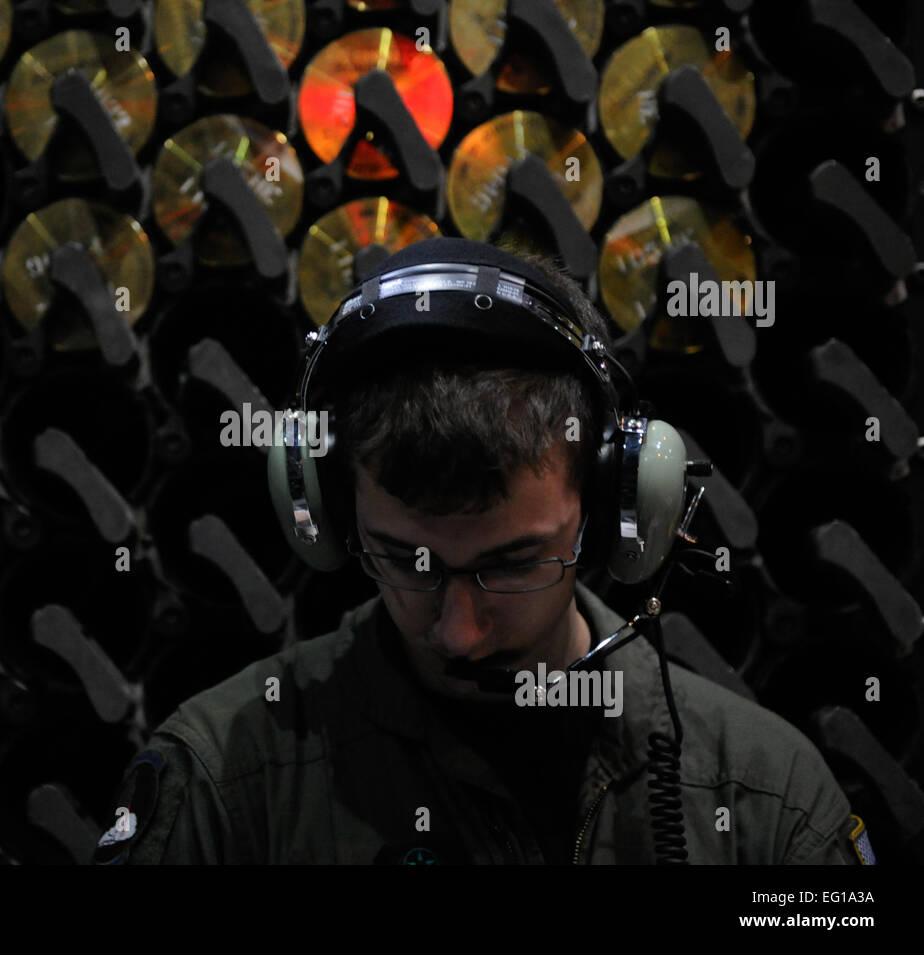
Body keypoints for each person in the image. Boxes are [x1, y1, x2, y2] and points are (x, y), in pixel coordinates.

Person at [90, 237, 872, 865]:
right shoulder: (220, 782)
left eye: (511, 562)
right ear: (328, 510)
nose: (459, 632)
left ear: (609, 513)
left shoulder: (766, 798)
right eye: (405, 559)